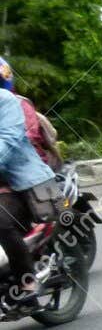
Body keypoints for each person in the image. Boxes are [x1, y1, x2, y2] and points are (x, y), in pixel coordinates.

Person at [0, 87, 56, 300]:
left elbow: (8, 141)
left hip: (16, 184)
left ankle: (27, 280)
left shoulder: (5, 101)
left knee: (2, 222)